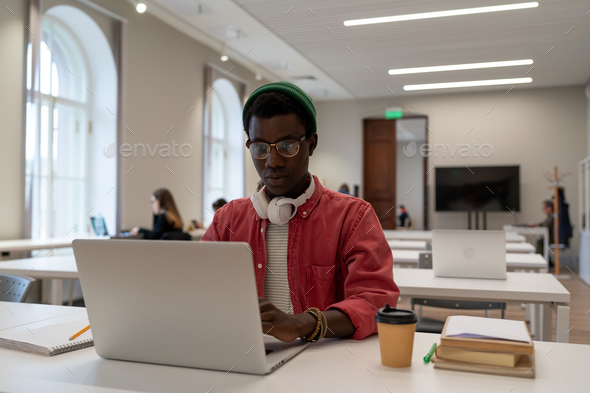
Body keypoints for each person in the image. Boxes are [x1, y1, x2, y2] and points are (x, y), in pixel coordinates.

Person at [201, 81, 399, 343]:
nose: (273, 162)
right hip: (244, 352)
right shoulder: (226, 220)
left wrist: (303, 324)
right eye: (260, 148)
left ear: (312, 144)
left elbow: (376, 301)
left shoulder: (353, 216)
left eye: (287, 146)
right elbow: (198, 290)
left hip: (323, 361)